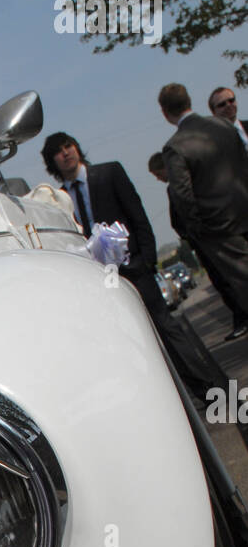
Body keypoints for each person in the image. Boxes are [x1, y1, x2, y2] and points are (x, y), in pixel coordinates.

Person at [41, 132, 224, 393]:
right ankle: (175, 394)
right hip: (99, 280)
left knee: (166, 327)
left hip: (134, 268)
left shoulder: (109, 173)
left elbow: (137, 214)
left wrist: (146, 260)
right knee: (133, 342)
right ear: (52, 162)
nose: (66, 153)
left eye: (68, 146)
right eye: (58, 152)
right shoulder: (59, 199)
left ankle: (208, 387)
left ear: (77, 148)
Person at [158, 83, 248, 323]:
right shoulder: (223, 125)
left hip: (219, 229)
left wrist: (198, 229)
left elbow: (182, 195)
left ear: (165, 113)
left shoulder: (175, 147)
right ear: (189, 100)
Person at [148, 151, 246, 341]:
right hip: (199, 242)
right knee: (220, 280)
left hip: (210, 239)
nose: (159, 179)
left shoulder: (188, 184)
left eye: (158, 174)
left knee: (226, 279)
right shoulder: (173, 189)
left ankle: (242, 317)